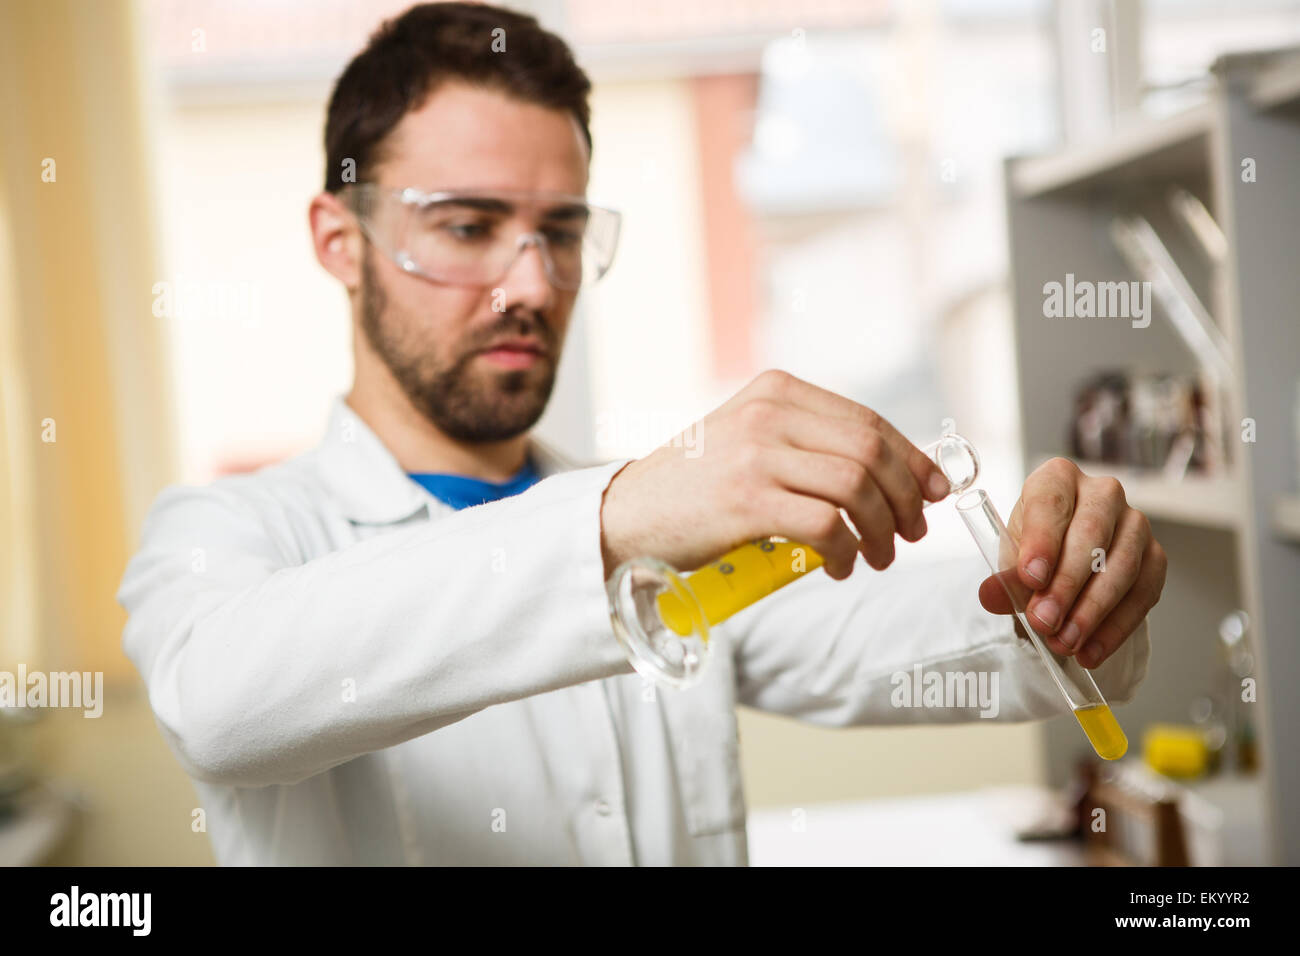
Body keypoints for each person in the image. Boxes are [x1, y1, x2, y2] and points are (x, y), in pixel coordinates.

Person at [118, 2, 1166, 866]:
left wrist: (1067, 589)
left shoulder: (663, 531)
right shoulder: (228, 536)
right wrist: (618, 517)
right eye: (468, 226)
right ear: (340, 241)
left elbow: (916, 642)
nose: (531, 283)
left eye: (561, 230)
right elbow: (218, 700)